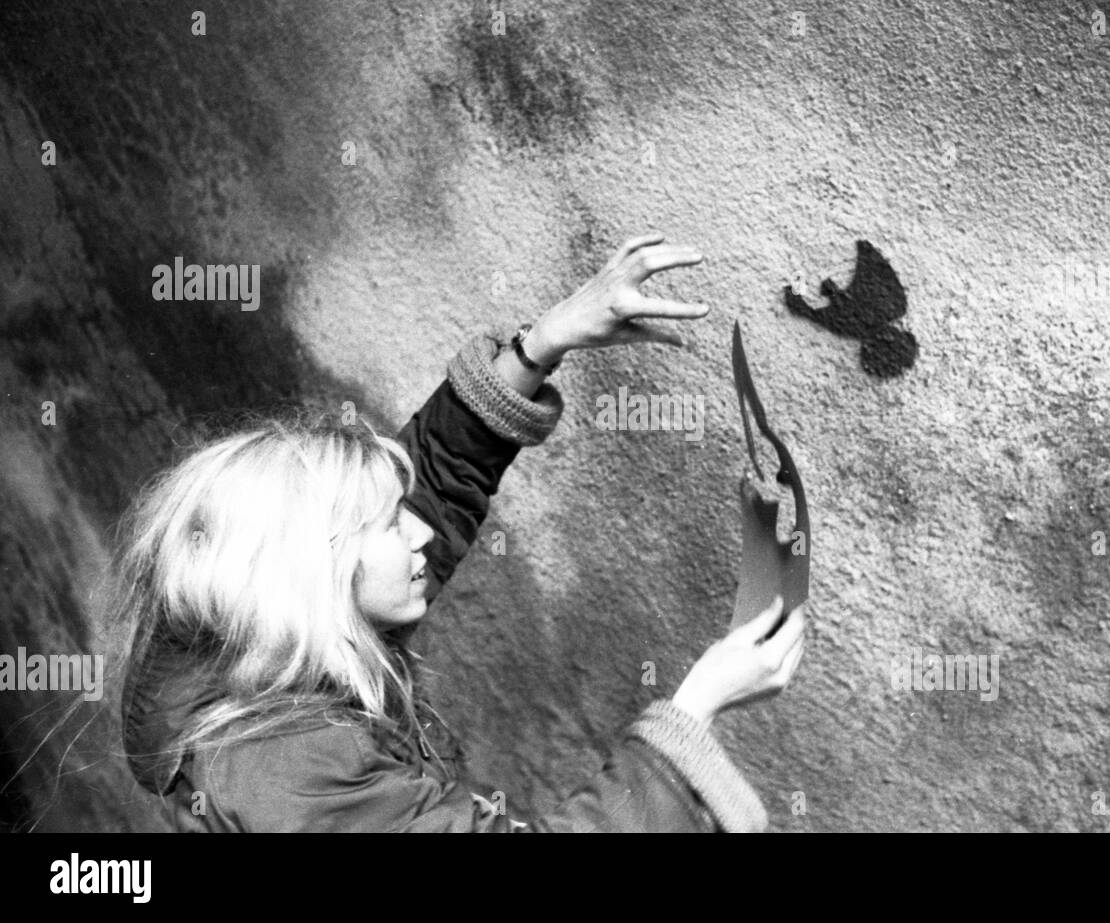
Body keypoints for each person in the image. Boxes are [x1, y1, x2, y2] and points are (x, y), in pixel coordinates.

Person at [117, 233, 807, 832]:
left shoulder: (250, 635)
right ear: (313, 572)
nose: (417, 534)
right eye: (389, 526)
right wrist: (691, 713)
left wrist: (543, 343)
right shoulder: (294, 780)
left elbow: (433, 488)